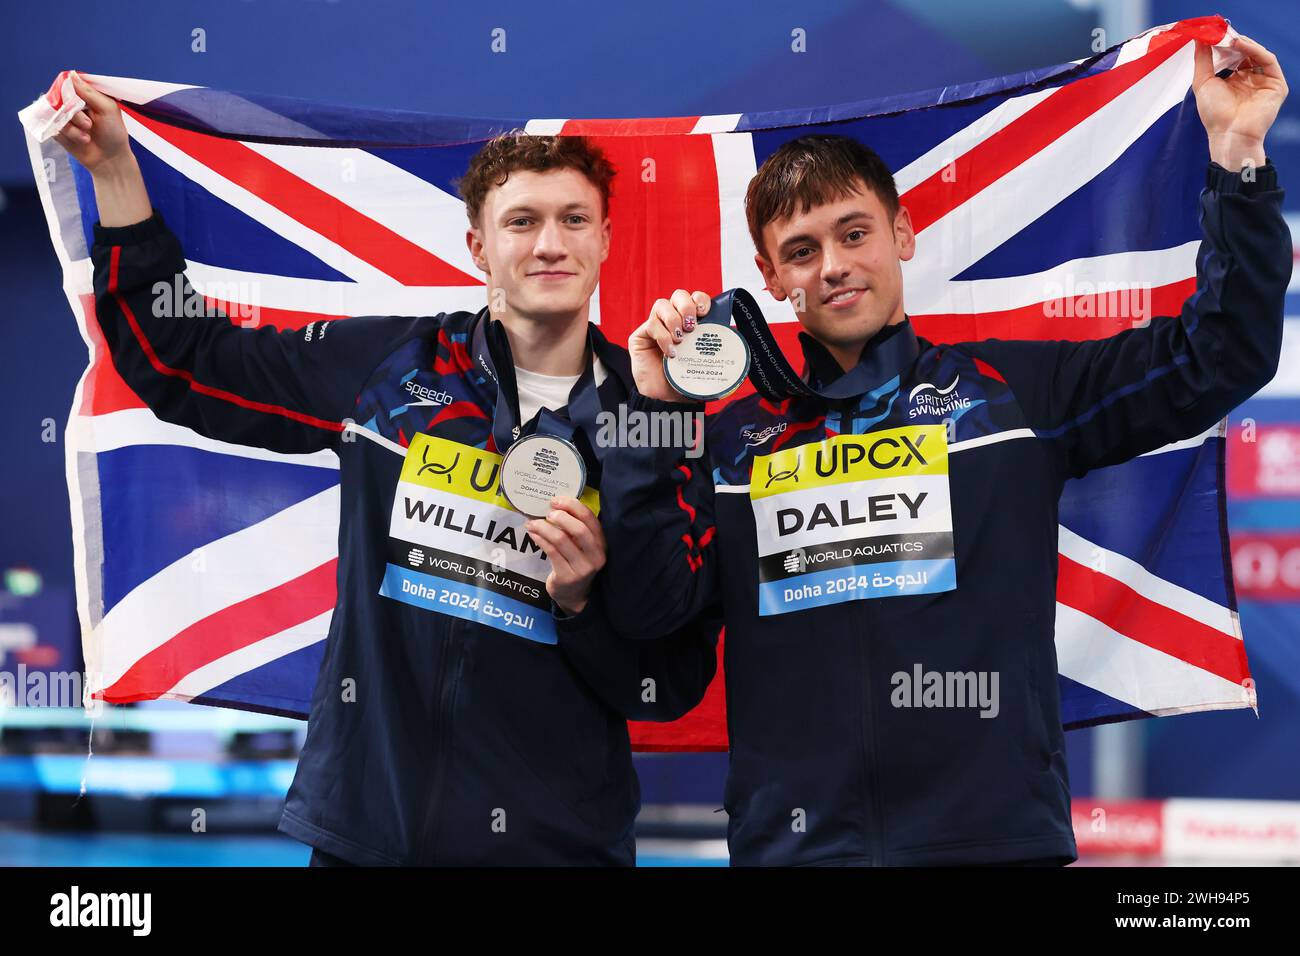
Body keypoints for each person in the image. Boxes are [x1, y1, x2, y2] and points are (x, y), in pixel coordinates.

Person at [598, 35, 1290, 865]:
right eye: (802, 252)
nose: (835, 267)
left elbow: (1218, 356)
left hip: (992, 844)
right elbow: (650, 615)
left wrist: (1240, 158)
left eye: (855, 233)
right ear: (771, 277)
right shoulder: (732, 444)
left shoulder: (1013, 392)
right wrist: (653, 411)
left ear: (904, 231)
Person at [54, 72, 720, 866]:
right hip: (367, 836)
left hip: (554, 848)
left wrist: (579, 606)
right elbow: (185, 365)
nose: (550, 243)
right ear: (479, 247)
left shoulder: (652, 416)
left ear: (605, 239)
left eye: (574, 219)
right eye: (522, 221)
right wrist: (116, 176)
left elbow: (667, 682)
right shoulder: (390, 369)